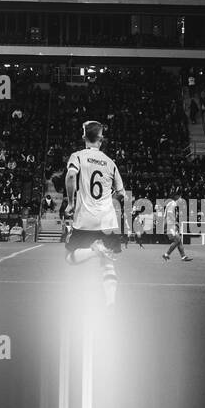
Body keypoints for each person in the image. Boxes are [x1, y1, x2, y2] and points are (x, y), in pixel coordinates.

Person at [64, 121, 125, 307]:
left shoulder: (77, 156)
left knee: (70, 257)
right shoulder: (111, 162)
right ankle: (111, 302)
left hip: (85, 218)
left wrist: (71, 202)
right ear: (101, 139)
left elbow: (71, 176)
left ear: (84, 137)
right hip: (107, 221)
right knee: (108, 262)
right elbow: (121, 194)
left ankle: (93, 250)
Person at [162, 193, 192, 263]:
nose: (181, 199)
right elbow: (169, 214)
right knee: (176, 240)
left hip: (171, 224)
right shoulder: (172, 204)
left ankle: (183, 256)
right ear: (177, 198)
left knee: (179, 240)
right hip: (170, 225)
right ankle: (166, 254)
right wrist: (175, 223)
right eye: (180, 198)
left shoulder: (172, 204)